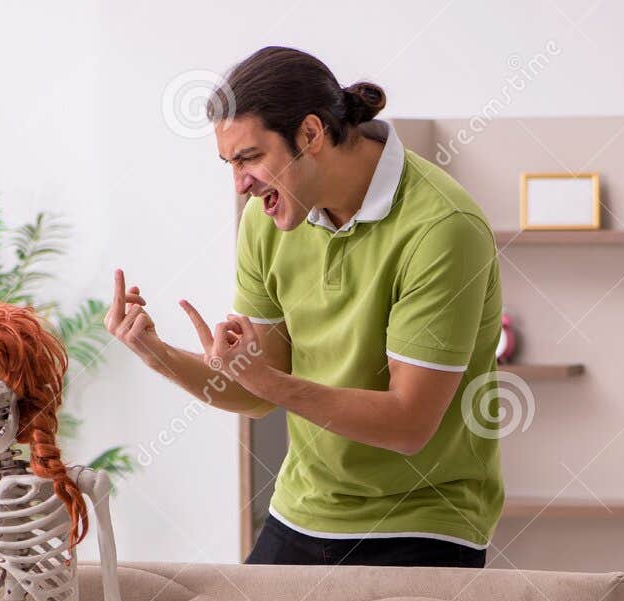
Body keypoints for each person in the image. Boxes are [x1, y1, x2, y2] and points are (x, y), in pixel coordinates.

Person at [107, 46, 504, 568]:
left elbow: (408, 425)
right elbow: (255, 393)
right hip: (303, 509)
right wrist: (157, 353)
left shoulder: (442, 228)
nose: (240, 184)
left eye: (250, 158)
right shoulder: (267, 220)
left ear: (311, 134)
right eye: (230, 164)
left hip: (423, 521)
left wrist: (267, 381)